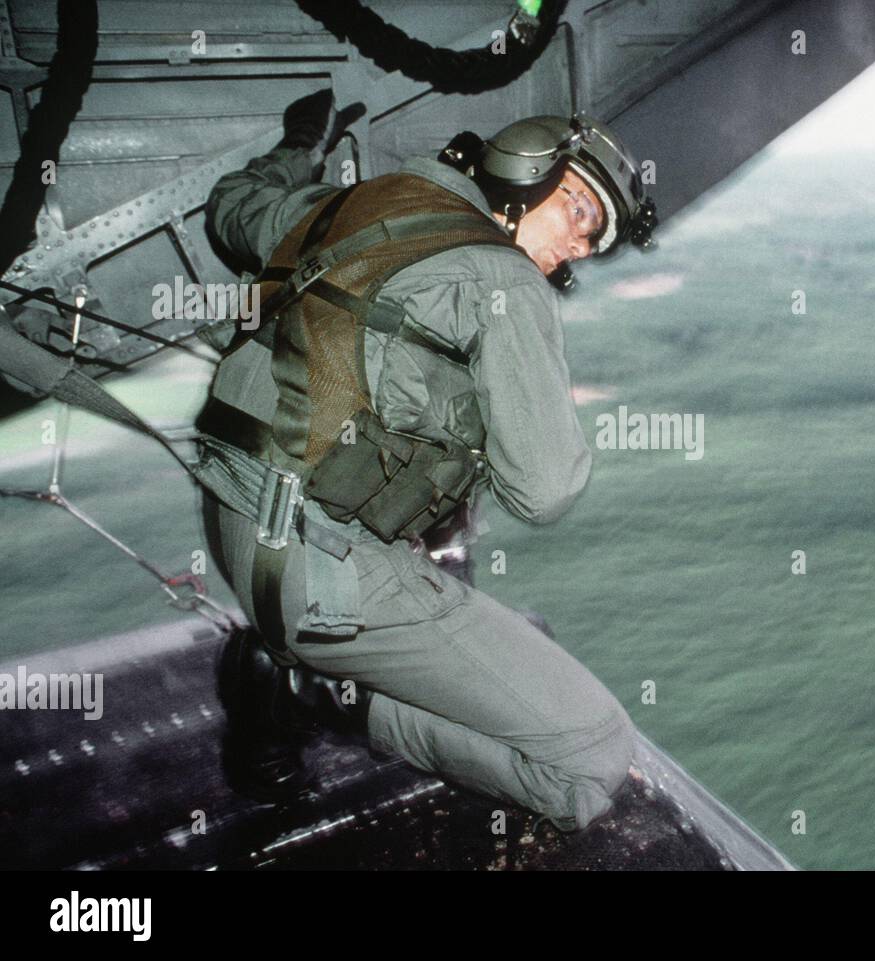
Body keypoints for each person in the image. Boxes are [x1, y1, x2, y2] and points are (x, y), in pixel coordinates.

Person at [198, 90, 658, 833]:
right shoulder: (504, 282)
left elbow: (235, 205)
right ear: (528, 169)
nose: (579, 243)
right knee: (590, 757)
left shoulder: (354, 204)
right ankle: (323, 694)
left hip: (233, 517)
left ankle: (303, 666)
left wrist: (302, 145)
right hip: (324, 580)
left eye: (593, 237)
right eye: (578, 209)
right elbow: (546, 490)